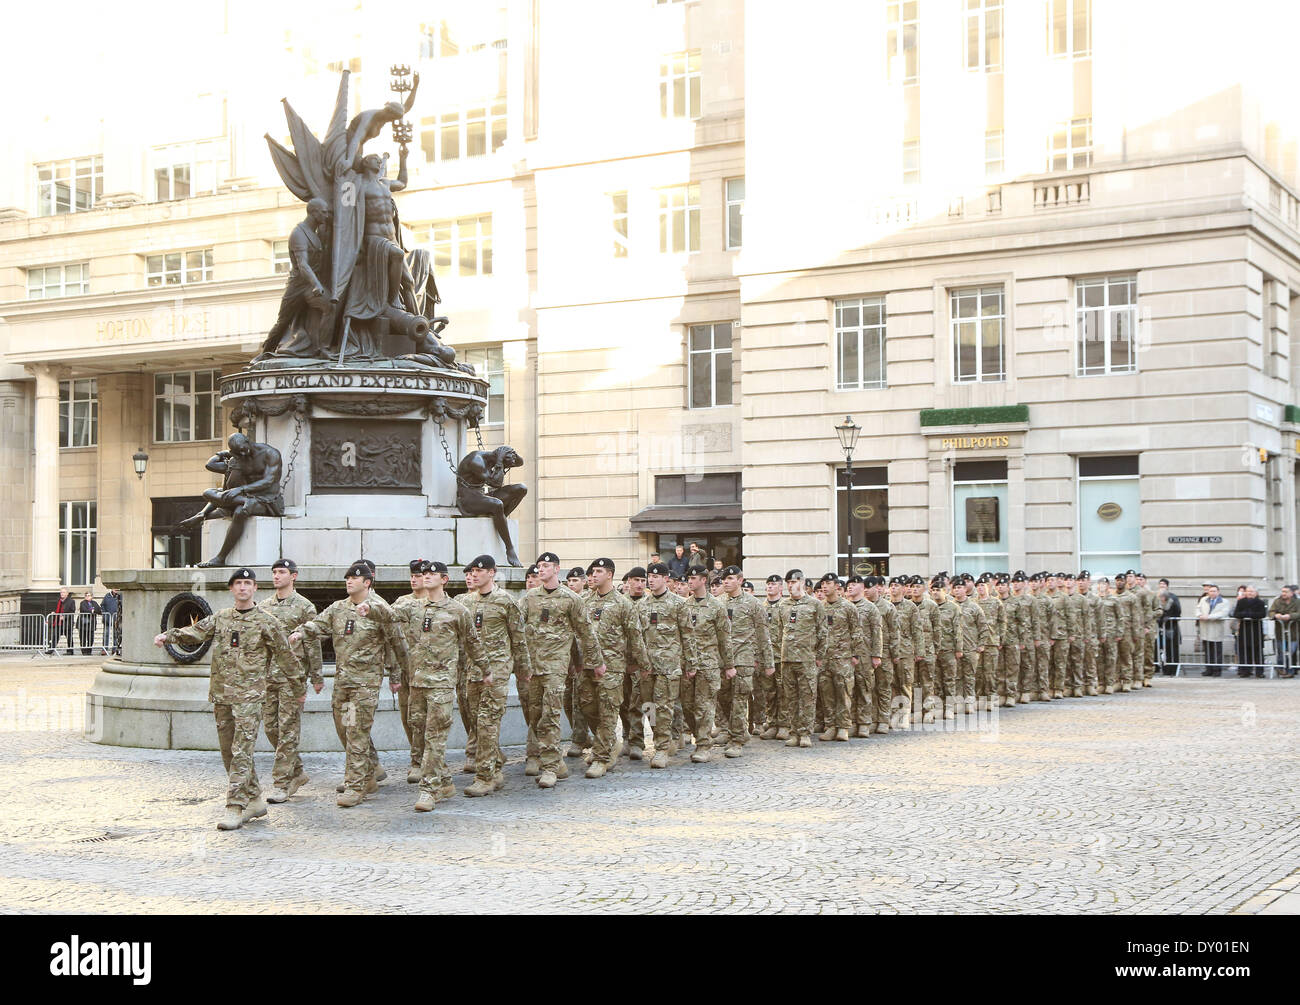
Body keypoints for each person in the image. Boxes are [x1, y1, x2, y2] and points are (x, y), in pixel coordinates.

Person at [156, 568, 294, 831]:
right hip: (222, 695)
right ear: (231, 589)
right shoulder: (220, 618)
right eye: (238, 583)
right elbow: (195, 632)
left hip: (250, 699)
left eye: (248, 583)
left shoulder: (267, 621)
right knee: (229, 752)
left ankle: (235, 806)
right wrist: (168, 636)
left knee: (242, 751)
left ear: (255, 589)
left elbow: (285, 655)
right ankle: (254, 799)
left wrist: (298, 688)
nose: (243, 588)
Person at [291, 561, 407, 807]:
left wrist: (397, 674)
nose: (349, 581)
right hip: (343, 681)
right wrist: (301, 632)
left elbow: (396, 643)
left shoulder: (380, 608)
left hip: (365, 683)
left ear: (367, 582)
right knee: (344, 728)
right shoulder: (338, 608)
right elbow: (319, 625)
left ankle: (356, 785)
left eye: (354, 578)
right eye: (347, 578)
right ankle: (369, 772)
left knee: (356, 731)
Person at [401, 561, 487, 812]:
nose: (425, 577)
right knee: (420, 734)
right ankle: (446, 781)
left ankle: (430, 789)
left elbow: (472, 643)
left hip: (441, 684)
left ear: (444, 579)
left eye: (431, 573)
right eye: (423, 573)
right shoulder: (413, 608)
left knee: (435, 737)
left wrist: (487, 670)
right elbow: (387, 616)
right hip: (417, 683)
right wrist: (367, 609)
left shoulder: (458, 610)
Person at [519, 553, 605, 788]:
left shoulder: (570, 599)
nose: (541, 569)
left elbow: (586, 633)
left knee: (551, 715)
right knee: (535, 715)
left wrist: (596, 662)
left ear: (557, 569)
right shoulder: (530, 598)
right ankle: (556, 762)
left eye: (546, 566)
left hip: (556, 667)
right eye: (539, 566)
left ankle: (549, 768)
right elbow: (517, 630)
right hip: (534, 666)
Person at [460, 554, 532, 796]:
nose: (475, 574)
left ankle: (486, 777)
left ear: (492, 573)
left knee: (488, 722)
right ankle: (495, 764)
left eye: (480, 571)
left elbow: (518, 639)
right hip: (473, 672)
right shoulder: (467, 603)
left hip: (497, 672)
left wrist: (523, 670)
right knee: (477, 723)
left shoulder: (506, 602)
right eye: (473, 571)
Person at [257, 558, 324, 803]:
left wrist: (316, 676)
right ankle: (296, 771)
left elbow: (313, 641)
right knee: (271, 727)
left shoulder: (305, 607)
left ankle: (281, 784)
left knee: (287, 729)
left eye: (281, 572)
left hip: (292, 677)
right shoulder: (263, 606)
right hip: (268, 675)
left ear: (293, 576)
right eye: (274, 572)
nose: (276, 576)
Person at [578, 558, 649, 777]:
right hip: (587, 666)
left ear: (610, 574)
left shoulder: (622, 603)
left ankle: (602, 757)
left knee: (608, 711)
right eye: (593, 571)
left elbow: (635, 636)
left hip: (613, 666)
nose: (594, 575)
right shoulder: (584, 601)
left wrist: (642, 664)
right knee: (587, 707)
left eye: (599, 571)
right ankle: (609, 742)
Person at [635, 562, 692, 768]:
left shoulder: (678, 604)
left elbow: (688, 636)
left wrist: (689, 664)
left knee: (666, 707)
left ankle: (662, 748)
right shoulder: (641, 605)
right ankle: (658, 738)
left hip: (669, 667)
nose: (651, 579)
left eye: (656, 576)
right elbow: (637, 636)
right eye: (650, 576)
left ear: (666, 579)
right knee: (649, 706)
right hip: (647, 666)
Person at [717, 566, 773, 754]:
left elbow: (763, 634)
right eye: (724, 579)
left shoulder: (753, 604)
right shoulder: (718, 603)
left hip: (744, 658)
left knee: (739, 698)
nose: (726, 582)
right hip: (723, 660)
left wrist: (768, 662)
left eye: (730, 578)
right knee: (723, 697)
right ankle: (732, 730)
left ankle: (737, 740)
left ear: (740, 580)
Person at [777, 569, 827, 747]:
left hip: (807, 658)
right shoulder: (783, 605)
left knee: (807, 697)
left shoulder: (815, 604)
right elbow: (779, 630)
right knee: (790, 698)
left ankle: (805, 733)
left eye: (794, 582)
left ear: (802, 582)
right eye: (788, 583)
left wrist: (819, 656)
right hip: (787, 658)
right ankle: (794, 732)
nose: (791, 586)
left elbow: (823, 632)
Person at [391, 559, 430, 782]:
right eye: (412, 576)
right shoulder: (402, 603)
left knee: (426, 717)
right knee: (408, 715)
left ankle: (424, 759)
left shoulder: (437, 602)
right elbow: (394, 637)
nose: (414, 579)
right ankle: (416, 756)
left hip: (429, 670)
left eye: (418, 575)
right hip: (407, 669)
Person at [1196, 583, 1230, 676]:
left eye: (1214, 591)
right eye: (1210, 591)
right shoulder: (1203, 600)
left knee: (1216, 651)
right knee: (1207, 651)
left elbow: (1223, 613)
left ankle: (1217, 670)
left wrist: (1209, 617)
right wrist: (1199, 615)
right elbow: (1198, 609)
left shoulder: (1224, 601)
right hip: (1205, 629)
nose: (1212, 593)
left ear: (1218, 592)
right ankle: (1208, 669)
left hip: (1216, 629)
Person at [1233, 586, 1267, 678]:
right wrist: (1247, 614)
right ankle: (1245, 671)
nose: (1250, 593)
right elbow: (1236, 614)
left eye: (1252, 591)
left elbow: (1262, 614)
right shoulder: (1241, 602)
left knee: (1258, 652)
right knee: (1244, 651)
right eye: (1248, 591)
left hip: (1256, 630)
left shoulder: (1260, 602)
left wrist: (1248, 615)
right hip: (1244, 630)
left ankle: (1259, 672)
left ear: (1256, 593)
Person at [1268, 585, 1300, 678]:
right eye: (1282, 591)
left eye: (1286, 592)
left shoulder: (1297, 602)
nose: (1283, 593)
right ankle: (1281, 668)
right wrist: (1276, 615)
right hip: (1280, 632)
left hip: (1293, 632)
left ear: (1291, 593)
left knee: (1291, 651)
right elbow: (1271, 612)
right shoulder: (1277, 601)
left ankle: (1290, 670)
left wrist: (1290, 616)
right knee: (1281, 652)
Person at [1157, 579, 1182, 675]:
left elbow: (1178, 613)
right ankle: (1165, 669)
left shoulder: (1173, 599)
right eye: (1160, 584)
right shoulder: (1157, 599)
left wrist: (1167, 618)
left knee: (1173, 650)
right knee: (1163, 650)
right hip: (1162, 629)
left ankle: (1173, 669)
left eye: (1163, 584)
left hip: (1172, 629)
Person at [48, 588, 76, 655]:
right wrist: (54, 612)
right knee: (55, 636)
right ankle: (51, 650)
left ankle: (70, 651)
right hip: (58, 622)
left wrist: (64, 617)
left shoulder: (71, 601)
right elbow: (57, 610)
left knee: (69, 637)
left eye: (63, 592)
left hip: (67, 623)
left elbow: (72, 611)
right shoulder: (59, 601)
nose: (62, 594)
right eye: (61, 592)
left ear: (67, 593)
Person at [78, 591, 100, 655]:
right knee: (83, 638)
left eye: (89, 595)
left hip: (91, 624)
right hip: (83, 624)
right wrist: (92, 610)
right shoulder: (82, 603)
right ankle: (84, 651)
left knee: (91, 638)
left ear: (92, 596)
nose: (87, 597)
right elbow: (84, 609)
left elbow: (99, 610)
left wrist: (93, 610)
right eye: (86, 595)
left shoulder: (94, 603)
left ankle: (89, 651)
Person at [100, 588, 120, 656]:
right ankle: (104, 649)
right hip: (107, 619)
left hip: (116, 619)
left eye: (117, 588)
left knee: (116, 634)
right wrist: (105, 614)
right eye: (114, 588)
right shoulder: (107, 596)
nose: (116, 589)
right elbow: (102, 605)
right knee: (106, 634)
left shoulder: (120, 596)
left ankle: (114, 649)